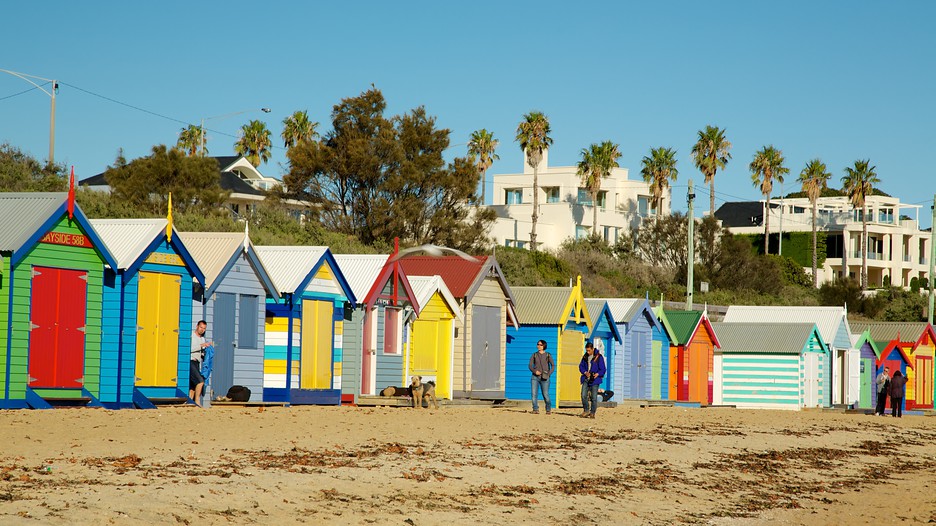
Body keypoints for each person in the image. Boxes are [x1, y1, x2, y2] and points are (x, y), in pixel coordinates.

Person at [579, 341, 606, 419]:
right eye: (586, 350)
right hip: (585, 378)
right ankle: (586, 410)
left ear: (593, 349)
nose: (588, 352)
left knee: (593, 397)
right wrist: (585, 372)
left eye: (589, 350)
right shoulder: (584, 357)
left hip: (595, 380)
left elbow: (603, 369)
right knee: (583, 395)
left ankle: (592, 412)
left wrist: (598, 374)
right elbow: (581, 366)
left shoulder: (599, 357)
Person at [529, 340, 554, 414]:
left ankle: (548, 409)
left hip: (545, 378)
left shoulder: (548, 355)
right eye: (538, 344)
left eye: (540, 345)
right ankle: (535, 409)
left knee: (545, 394)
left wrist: (549, 374)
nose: (539, 346)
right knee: (534, 394)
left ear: (544, 346)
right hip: (535, 377)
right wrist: (534, 371)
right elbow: (530, 365)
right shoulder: (534, 355)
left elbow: (553, 365)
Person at [190, 320, 212, 407]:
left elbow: (201, 352)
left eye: (204, 328)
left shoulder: (202, 338)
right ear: (197, 326)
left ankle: (190, 401)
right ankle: (197, 401)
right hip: (190, 360)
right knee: (200, 381)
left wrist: (206, 353)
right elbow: (190, 349)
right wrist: (201, 346)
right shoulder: (192, 336)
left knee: (192, 385)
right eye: (201, 327)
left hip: (197, 362)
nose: (202, 330)